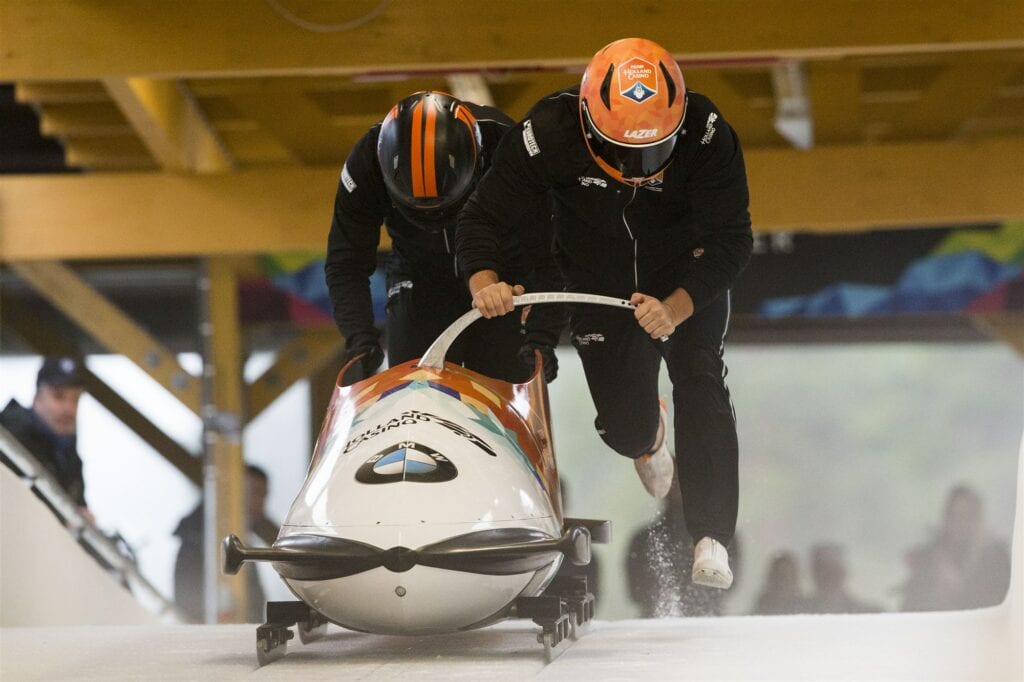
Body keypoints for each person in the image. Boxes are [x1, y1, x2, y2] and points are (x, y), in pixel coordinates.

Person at [456, 38, 752, 589]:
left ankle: (711, 536)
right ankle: (648, 439)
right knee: (623, 429)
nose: (637, 171)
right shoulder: (548, 131)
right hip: (597, 281)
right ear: (590, 126)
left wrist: (677, 306)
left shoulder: (709, 132)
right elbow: (482, 218)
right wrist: (485, 281)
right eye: (623, 154)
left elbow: (732, 240)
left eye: (652, 154)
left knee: (700, 374)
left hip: (685, 278)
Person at [324, 90, 563, 386]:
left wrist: (542, 335)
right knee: (413, 385)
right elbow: (346, 261)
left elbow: (552, 250)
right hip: (419, 276)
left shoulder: (508, 147)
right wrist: (360, 342)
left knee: (504, 376)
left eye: (444, 206)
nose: (435, 217)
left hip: (501, 281)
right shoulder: (365, 164)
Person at [173, 464, 279, 623]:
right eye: (255, 493)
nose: (261, 503)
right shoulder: (201, 542)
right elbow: (188, 604)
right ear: (232, 493)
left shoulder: (238, 538)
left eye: (264, 495)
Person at [626, 477, 738, 616]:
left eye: (684, 480)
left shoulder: (721, 539)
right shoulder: (721, 539)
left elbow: (728, 584)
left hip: (703, 621)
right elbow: (637, 592)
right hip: (662, 623)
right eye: (675, 480)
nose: (681, 486)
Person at [0, 356, 91, 520]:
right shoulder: (8, 442)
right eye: (59, 396)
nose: (69, 409)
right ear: (38, 399)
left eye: (75, 400)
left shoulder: (71, 459)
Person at [900, 483, 1012, 611]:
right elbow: (910, 612)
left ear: (979, 520)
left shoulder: (997, 561)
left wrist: (959, 590)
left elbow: (999, 612)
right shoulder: (931, 560)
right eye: (954, 516)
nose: (960, 524)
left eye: (968, 516)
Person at [804, 543, 883, 614]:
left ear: (845, 571)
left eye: (834, 569)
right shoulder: (798, 612)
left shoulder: (872, 613)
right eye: (822, 568)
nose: (829, 575)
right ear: (813, 573)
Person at [750, 551, 808, 615]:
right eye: (779, 576)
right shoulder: (761, 608)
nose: (782, 583)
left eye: (787, 577)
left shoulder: (807, 611)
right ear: (771, 578)